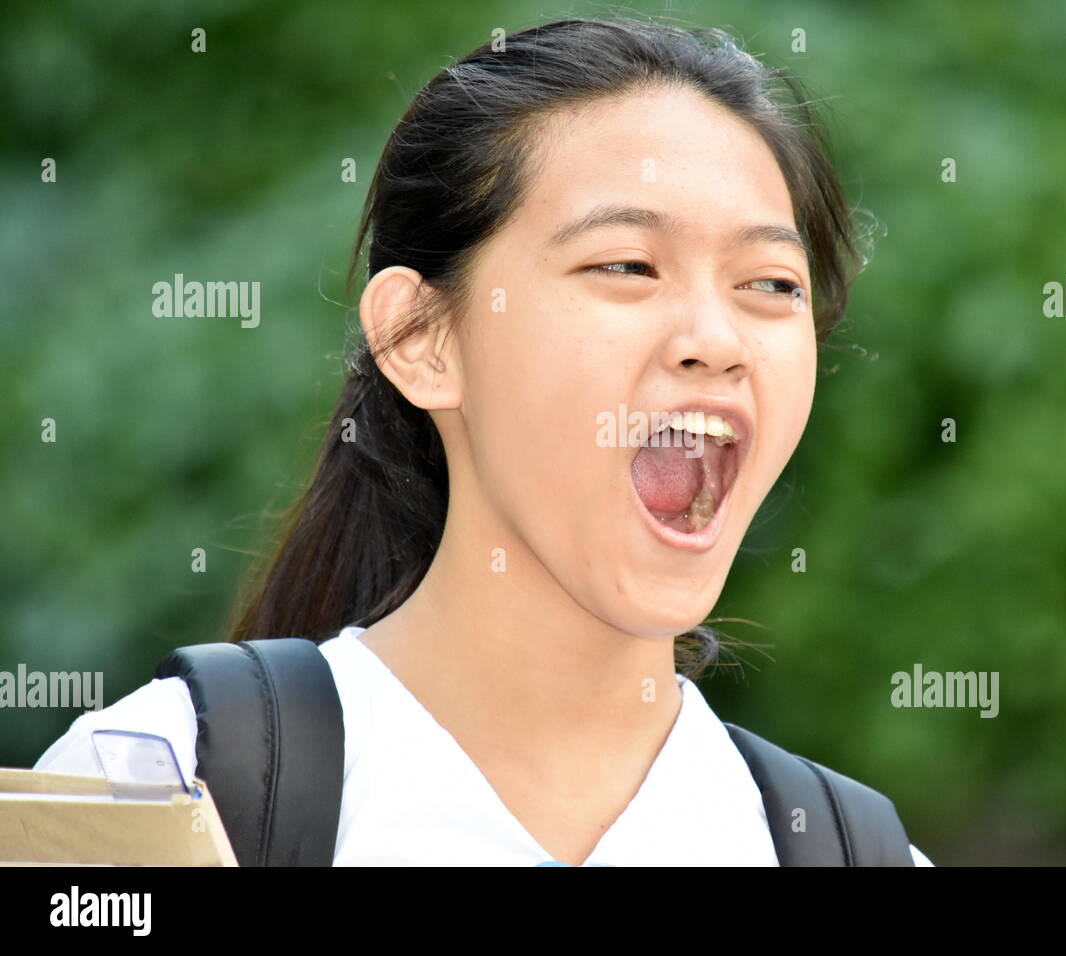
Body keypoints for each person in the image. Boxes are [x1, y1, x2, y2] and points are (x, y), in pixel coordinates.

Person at [36, 14, 933, 867]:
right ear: (420, 338)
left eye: (771, 284)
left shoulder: (841, 849)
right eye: (626, 265)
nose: (717, 338)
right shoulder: (153, 786)